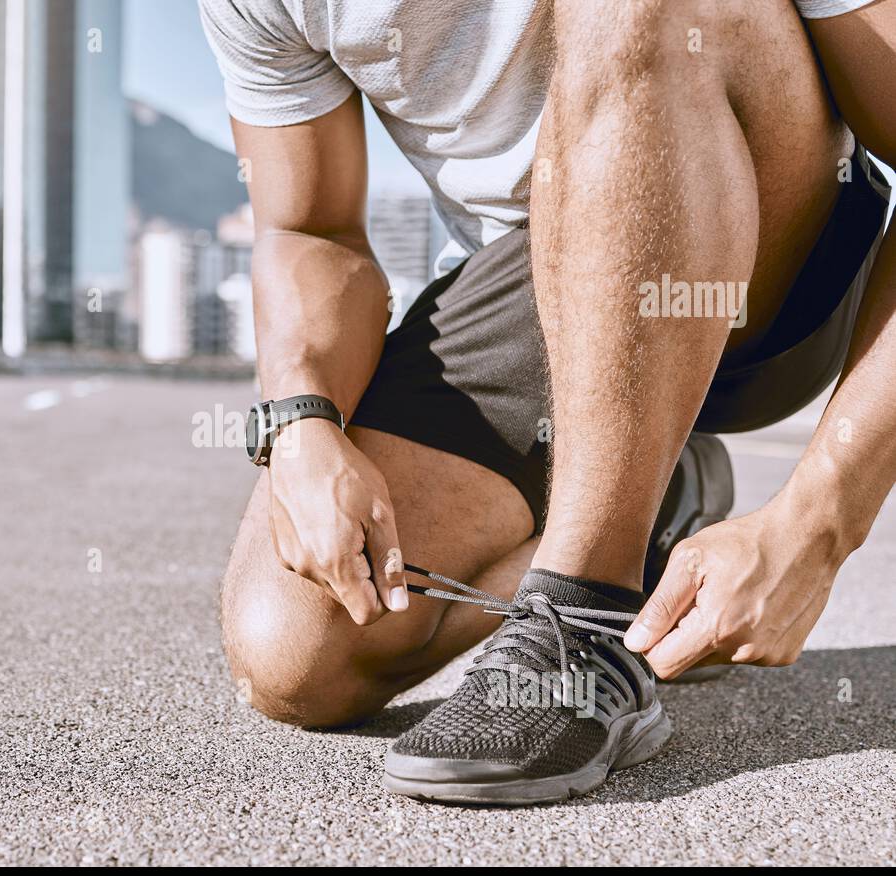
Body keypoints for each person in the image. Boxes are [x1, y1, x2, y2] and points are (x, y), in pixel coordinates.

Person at [199, 0, 896, 803]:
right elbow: (309, 229)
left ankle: (585, 617)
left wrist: (817, 522)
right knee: (294, 647)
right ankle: (658, 515)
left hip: (776, 261)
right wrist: (300, 425)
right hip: (539, 273)